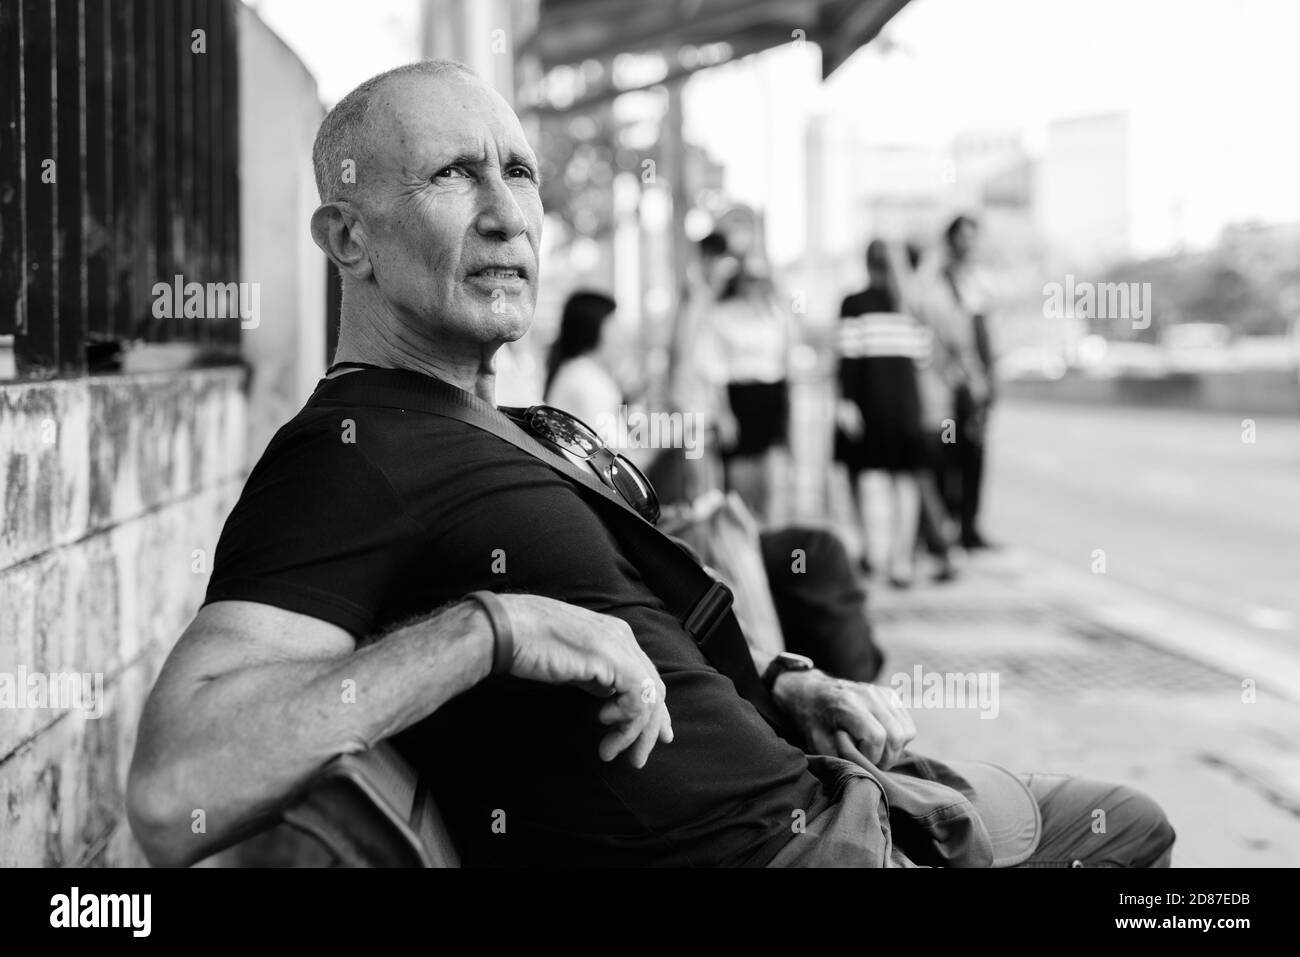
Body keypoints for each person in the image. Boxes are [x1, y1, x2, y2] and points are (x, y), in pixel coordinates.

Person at [128, 61, 1174, 869]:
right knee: (1132, 832)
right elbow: (176, 791)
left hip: (834, 800)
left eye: (520, 171)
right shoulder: (348, 452)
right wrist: (490, 629)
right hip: (796, 851)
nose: (507, 214)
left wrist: (778, 681)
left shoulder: (492, 425)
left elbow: (631, 610)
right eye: (452, 174)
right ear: (347, 238)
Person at [834, 240, 929, 587]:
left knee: (864, 477)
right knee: (904, 481)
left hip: (867, 402)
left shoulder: (854, 303)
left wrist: (845, 401)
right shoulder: (913, 306)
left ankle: (872, 551)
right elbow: (923, 360)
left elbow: (848, 356)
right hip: (905, 405)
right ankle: (900, 560)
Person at [692, 230, 793, 523]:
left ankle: (772, 542)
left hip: (772, 395)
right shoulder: (721, 315)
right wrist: (723, 414)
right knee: (740, 485)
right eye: (750, 278)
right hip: (739, 398)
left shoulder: (774, 314)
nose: (755, 285)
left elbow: (786, 357)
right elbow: (713, 369)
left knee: (774, 480)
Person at [925, 215, 998, 550]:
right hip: (958, 384)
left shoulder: (979, 279)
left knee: (975, 454)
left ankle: (969, 527)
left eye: (974, 236)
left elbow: (985, 331)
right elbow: (955, 335)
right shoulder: (943, 280)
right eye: (963, 236)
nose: (970, 243)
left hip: (980, 381)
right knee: (948, 453)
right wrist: (971, 377)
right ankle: (946, 527)